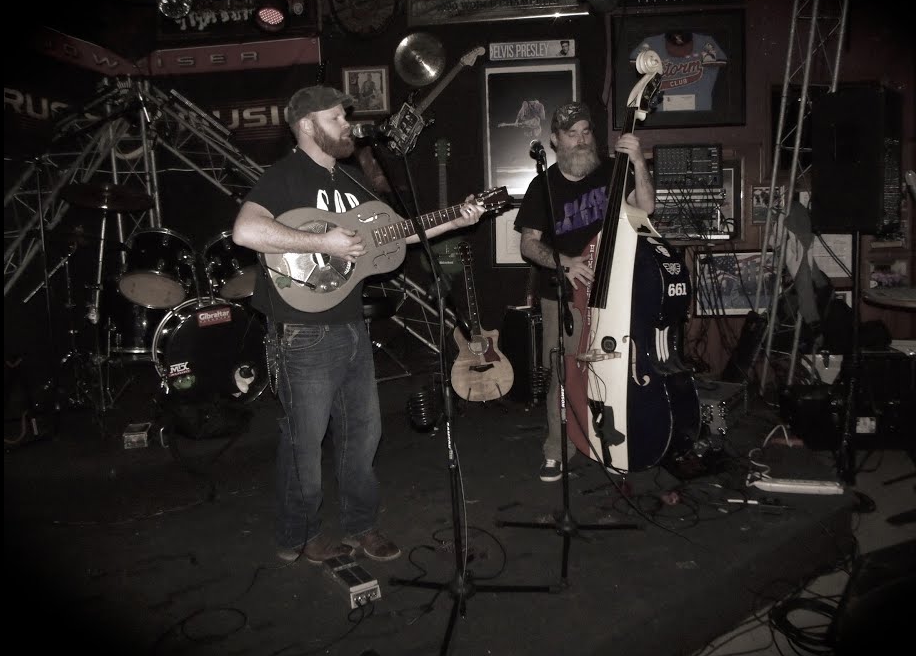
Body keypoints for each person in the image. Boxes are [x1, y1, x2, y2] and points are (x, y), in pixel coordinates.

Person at [232, 85, 486, 564]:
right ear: (307, 125)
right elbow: (246, 231)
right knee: (303, 442)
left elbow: (395, 233)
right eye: (335, 118)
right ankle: (299, 534)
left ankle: (361, 525)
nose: (347, 125)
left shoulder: (352, 182)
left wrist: (455, 220)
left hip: (350, 325)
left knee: (362, 435)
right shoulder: (286, 176)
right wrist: (323, 244)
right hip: (301, 332)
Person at [510, 101, 654, 482]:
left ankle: (613, 440)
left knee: (613, 364)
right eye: (571, 134)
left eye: (586, 132)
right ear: (556, 141)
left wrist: (638, 160)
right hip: (563, 292)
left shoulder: (611, 171)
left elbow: (645, 207)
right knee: (563, 370)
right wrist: (567, 262)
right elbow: (528, 244)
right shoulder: (543, 185)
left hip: (613, 287)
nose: (580, 140)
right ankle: (558, 449)